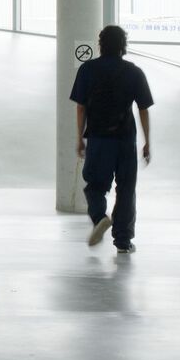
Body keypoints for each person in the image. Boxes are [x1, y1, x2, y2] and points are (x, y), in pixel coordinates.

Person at [70, 24, 153, 252]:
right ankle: (123, 242)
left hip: (99, 139)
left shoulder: (88, 70)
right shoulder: (134, 71)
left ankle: (99, 218)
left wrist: (79, 137)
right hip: (126, 140)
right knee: (126, 189)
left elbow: (80, 107)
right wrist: (147, 142)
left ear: (101, 44)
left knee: (95, 186)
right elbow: (144, 108)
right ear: (123, 46)